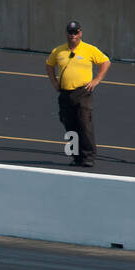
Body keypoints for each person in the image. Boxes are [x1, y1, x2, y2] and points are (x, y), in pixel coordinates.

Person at [46, 20, 111, 168]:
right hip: (65, 93)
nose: (73, 35)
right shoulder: (59, 51)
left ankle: (88, 157)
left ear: (80, 33)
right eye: (70, 32)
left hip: (83, 92)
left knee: (84, 123)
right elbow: (49, 65)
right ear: (66, 33)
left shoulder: (89, 49)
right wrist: (54, 82)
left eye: (76, 32)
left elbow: (105, 62)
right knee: (69, 124)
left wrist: (96, 80)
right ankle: (76, 156)